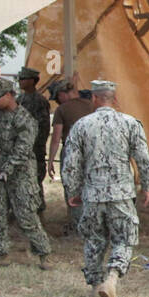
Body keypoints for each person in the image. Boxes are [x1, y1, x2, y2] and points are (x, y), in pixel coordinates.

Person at [63, 79, 149, 297]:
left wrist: (72, 191)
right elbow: (143, 158)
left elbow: (70, 163)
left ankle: (95, 287)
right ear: (114, 99)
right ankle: (111, 280)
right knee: (124, 239)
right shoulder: (130, 123)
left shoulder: (82, 125)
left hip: (92, 194)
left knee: (94, 240)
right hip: (121, 194)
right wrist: (147, 185)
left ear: (93, 98)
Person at [0, 77, 52, 270]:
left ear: (8, 95)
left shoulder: (25, 119)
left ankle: (43, 252)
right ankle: (1, 253)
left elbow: (23, 149)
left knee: (26, 215)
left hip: (20, 173)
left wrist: (7, 169)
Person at [48, 78, 95, 235]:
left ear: (62, 94)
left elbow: (56, 138)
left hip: (72, 154)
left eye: (57, 98)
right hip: (93, 153)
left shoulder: (62, 110)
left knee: (73, 191)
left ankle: (77, 228)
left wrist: (50, 162)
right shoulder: (92, 105)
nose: (57, 101)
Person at [16, 68, 52, 213]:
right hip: (21, 148)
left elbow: (43, 127)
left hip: (34, 149)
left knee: (35, 180)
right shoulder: (20, 100)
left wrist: (37, 147)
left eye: (23, 79)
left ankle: (38, 209)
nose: (20, 82)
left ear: (32, 81)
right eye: (20, 79)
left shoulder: (39, 101)